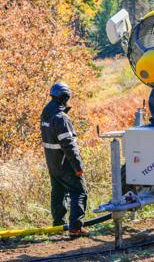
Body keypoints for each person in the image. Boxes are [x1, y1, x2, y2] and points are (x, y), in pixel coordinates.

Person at [41, 82, 88, 237]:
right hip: (64, 163)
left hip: (52, 163)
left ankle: (58, 226)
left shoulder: (46, 114)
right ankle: (75, 228)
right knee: (79, 191)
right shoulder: (61, 118)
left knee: (58, 192)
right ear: (65, 97)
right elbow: (69, 145)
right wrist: (78, 166)